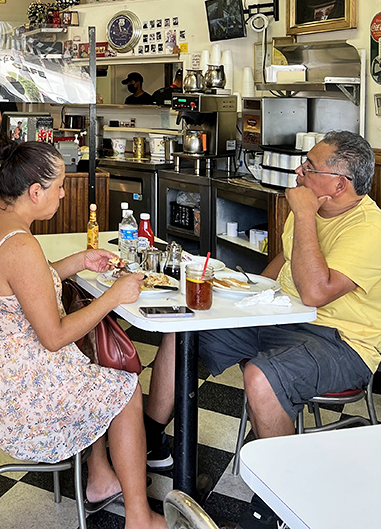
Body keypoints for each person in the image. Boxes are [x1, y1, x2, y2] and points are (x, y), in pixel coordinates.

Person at [145, 131, 381, 529]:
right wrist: (254, 294)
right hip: (282, 320)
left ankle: (278, 501)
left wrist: (304, 214)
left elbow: (314, 292)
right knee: (183, 327)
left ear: (340, 184)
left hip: (342, 342)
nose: (300, 172)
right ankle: (151, 440)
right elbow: (286, 261)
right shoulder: (311, 209)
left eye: (310, 167)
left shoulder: (369, 229)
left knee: (262, 376)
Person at [0, 140, 165, 528]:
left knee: (90, 364)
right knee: (125, 388)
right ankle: (139, 517)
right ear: (35, 192)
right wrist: (114, 296)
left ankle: (99, 477)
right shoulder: (21, 246)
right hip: (14, 397)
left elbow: (24, 286)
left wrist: (79, 261)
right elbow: (54, 336)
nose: (64, 193)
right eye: (60, 186)